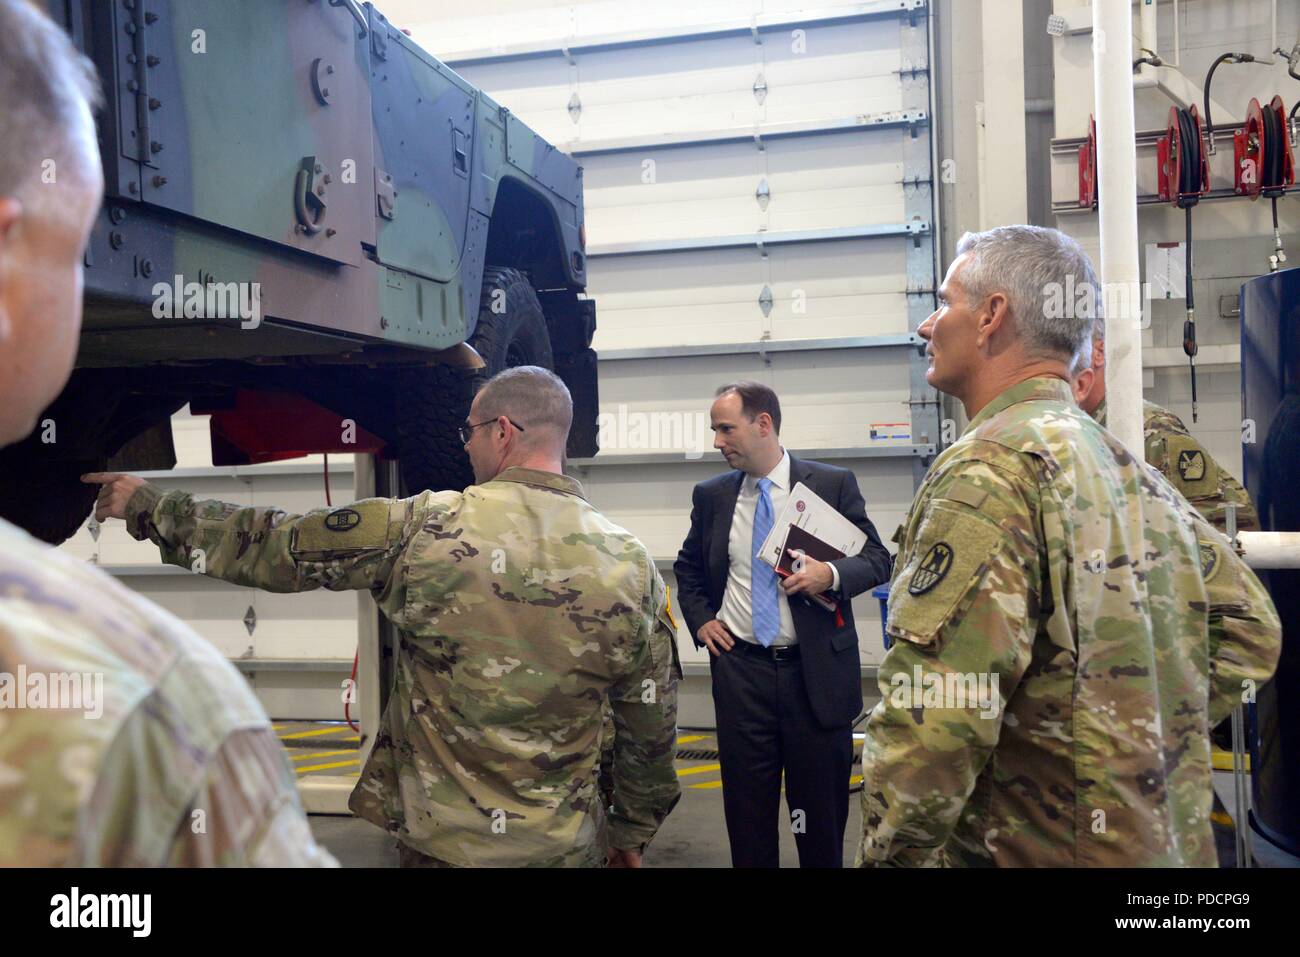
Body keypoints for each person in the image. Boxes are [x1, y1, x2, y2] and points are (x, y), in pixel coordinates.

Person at [88, 365, 682, 867]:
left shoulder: (423, 526)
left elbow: (280, 546)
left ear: (504, 431)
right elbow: (649, 721)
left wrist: (149, 506)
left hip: (441, 844)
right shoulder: (631, 565)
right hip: (562, 846)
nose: (465, 444)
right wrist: (631, 833)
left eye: (470, 430)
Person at [0, 0, 334, 867]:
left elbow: (287, 545)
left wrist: (153, 505)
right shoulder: (151, 708)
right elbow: (294, 547)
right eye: (72, 252)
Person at [858, 225, 1281, 867]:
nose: (926, 324)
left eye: (943, 302)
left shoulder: (989, 469)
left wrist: (887, 858)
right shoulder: (1119, 460)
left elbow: (935, 725)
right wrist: (1129, 736)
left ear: (991, 316)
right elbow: (1250, 627)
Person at [673, 381, 892, 867]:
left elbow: (879, 560)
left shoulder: (831, 485)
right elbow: (689, 569)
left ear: (763, 424)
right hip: (741, 674)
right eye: (714, 430)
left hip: (814, 678)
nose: (717, 441)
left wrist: (829, 574)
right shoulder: (712, 496)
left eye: (725, 428)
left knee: (819, 817)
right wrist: (703, 621)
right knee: (747, 817)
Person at [1072, 316, 1260, 533]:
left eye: (1066, 350)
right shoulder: (1086, 429)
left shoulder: (1151, 432)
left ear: (1099, 352)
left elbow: (1232, 523)